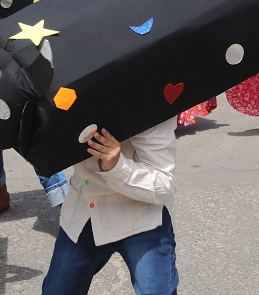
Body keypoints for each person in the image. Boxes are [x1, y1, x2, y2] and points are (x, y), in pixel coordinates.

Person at [41, 119, 178, 294]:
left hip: (143, 216)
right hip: (85, 211)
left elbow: (164, 185)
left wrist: (116, 166)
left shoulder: (150, 98)